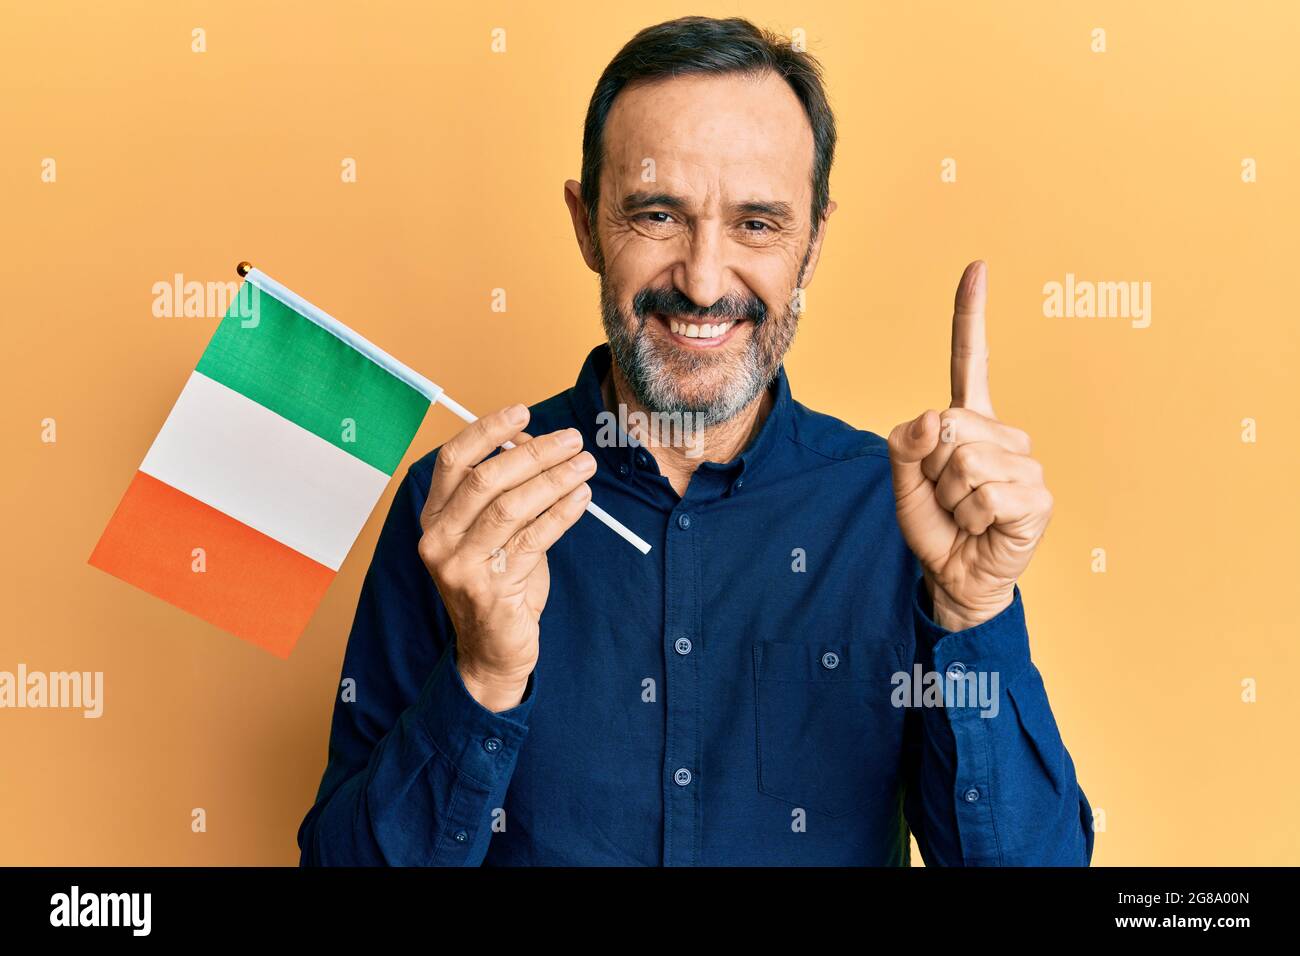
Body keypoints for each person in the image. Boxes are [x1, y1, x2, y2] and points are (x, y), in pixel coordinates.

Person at [297, 15, 1093, 866]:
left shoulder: (905, 516)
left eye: (757, 224)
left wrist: (974, 614)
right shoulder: (461, 508)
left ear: (812, 244)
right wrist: (484, 678)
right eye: (657, 215)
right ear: (585, 223)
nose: (705, 281)